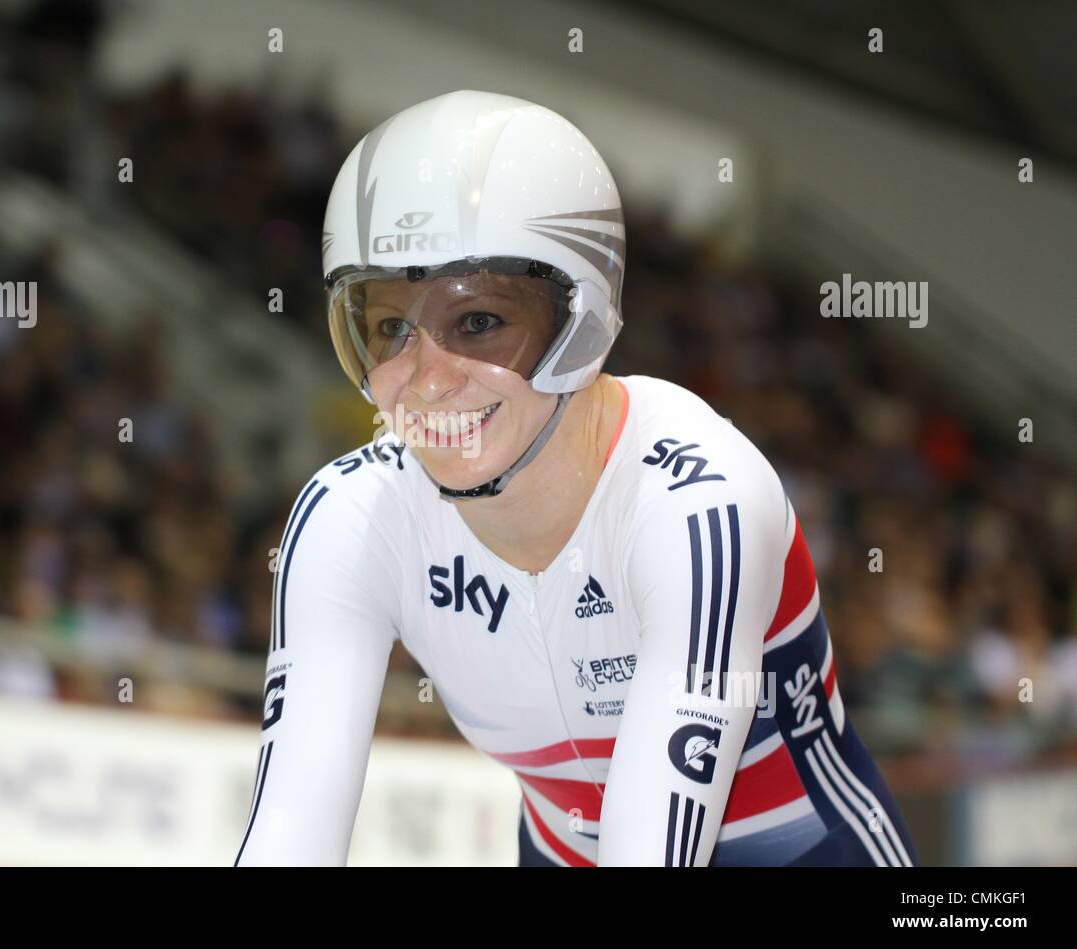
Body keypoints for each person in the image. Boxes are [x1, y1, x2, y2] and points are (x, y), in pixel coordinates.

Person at [235, 90, 917, 866]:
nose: (424, 381)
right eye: (388, 328)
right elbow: (289, 834)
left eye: (480, 322)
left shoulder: (699, 501)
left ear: (582, 321)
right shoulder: (348, 516)